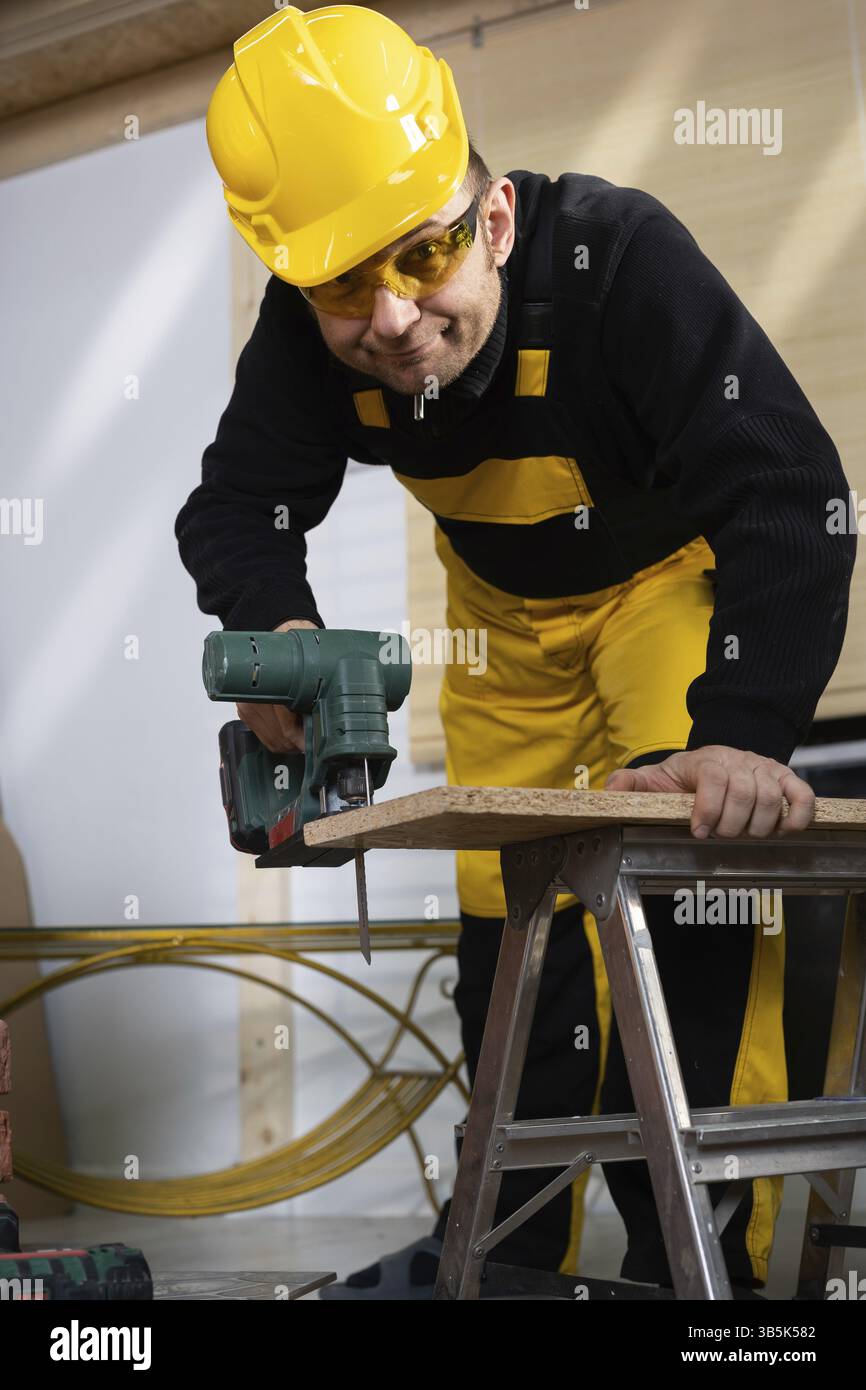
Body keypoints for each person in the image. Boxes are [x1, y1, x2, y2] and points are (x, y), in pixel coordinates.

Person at [175, 5, 856, 1298]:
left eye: (419, 255)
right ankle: (509, 1273)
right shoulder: (311, 324)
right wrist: (276, 625)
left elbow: (785, 491)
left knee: (680, 895)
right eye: (339, 288)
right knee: (515, 947)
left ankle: (702, 1282)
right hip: (496, 622)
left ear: (490, 219)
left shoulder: (622, 261)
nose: (386, 317)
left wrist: (742, 727)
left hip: (657, 592)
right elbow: (238, 507)